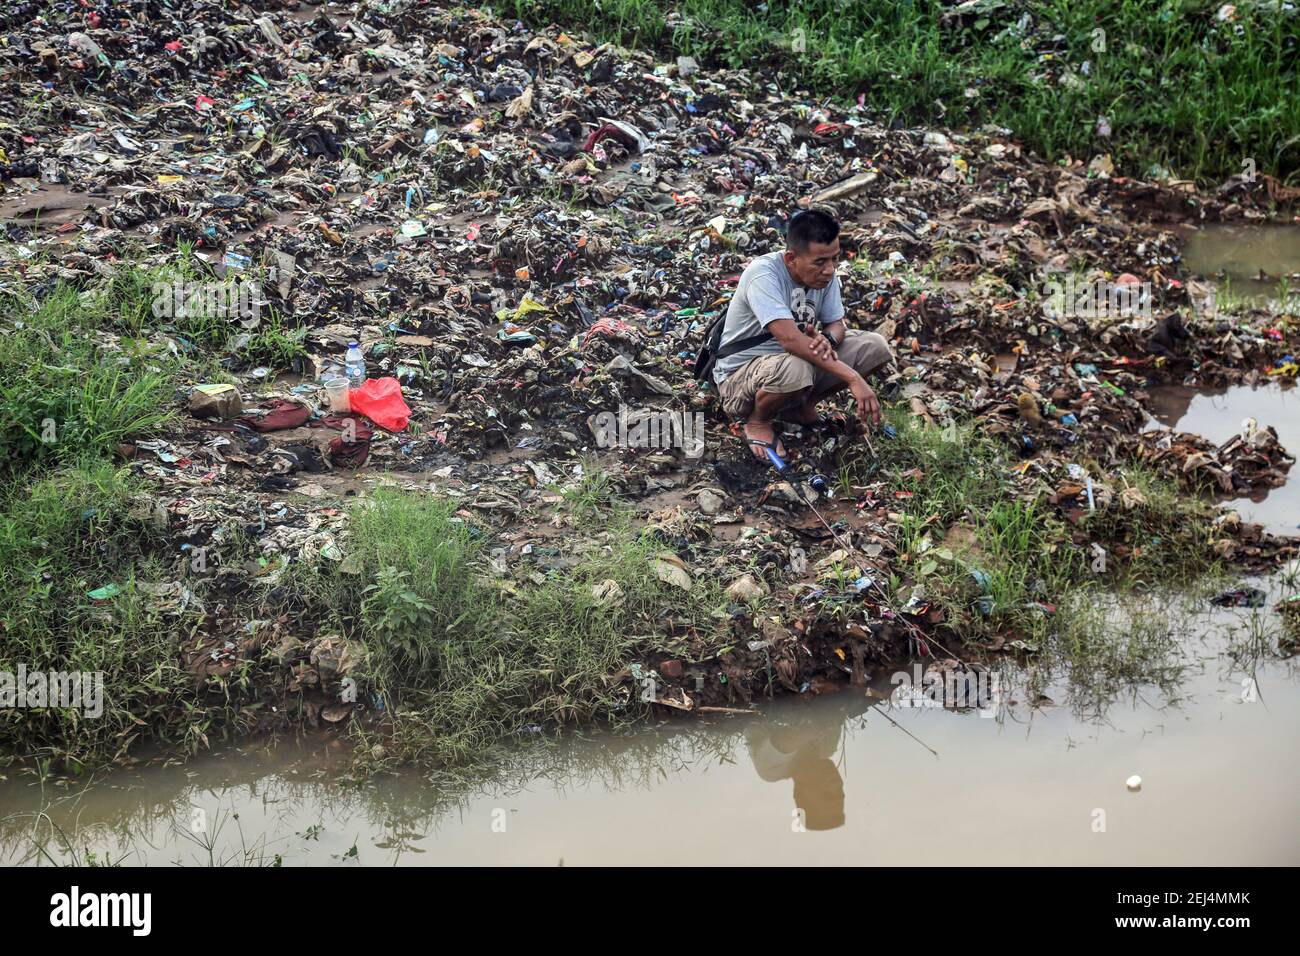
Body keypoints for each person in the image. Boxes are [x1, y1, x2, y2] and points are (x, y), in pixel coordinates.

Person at [712, 210, 892, 460]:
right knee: (797, 368)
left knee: (875, 347)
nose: (829, 270)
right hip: (739, 379)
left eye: (834, 260)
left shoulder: (825, 276)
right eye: (820, 262)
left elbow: (837, 324)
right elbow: (790, 341)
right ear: (790, 259)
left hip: (791, 368)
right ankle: (757, 421)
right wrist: (853, 378)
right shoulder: (763, 275)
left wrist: (826, 339)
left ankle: (800, 406)